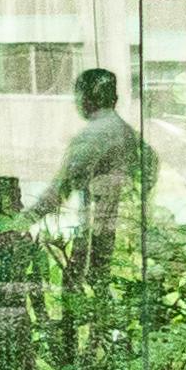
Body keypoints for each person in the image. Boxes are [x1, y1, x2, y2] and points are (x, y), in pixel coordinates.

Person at [26, 66, 153, 280]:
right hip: (125, 230)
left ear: (87, 97)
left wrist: (22, 220)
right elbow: (148, 170)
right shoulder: (126, 132)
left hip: (99, 230)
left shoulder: (94, 134)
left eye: (78, 95)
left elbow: (61, 188)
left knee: (81, 286)